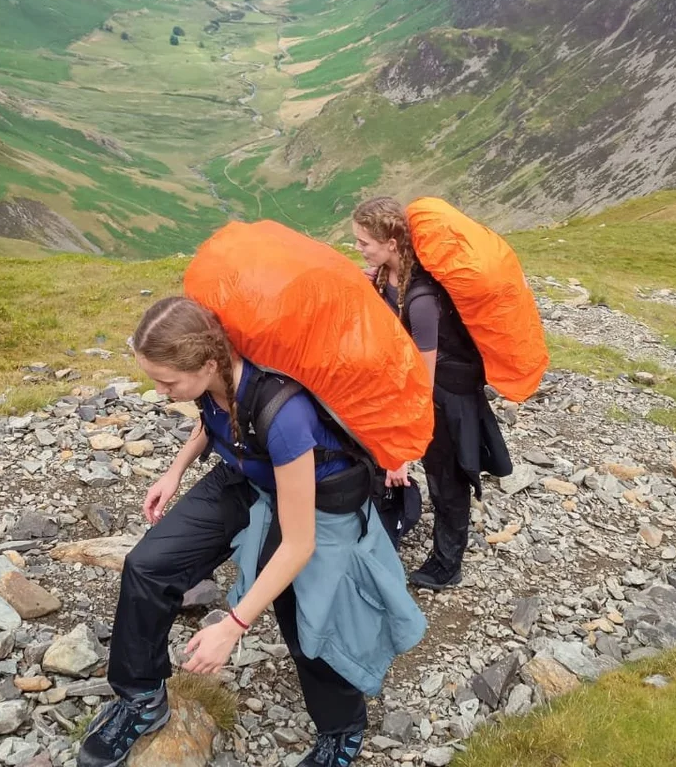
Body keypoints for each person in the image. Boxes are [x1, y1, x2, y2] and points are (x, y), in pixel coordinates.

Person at [80, 297, 424, 767]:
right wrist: (175, 470)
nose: (160, 392)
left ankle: (342, 729)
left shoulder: (286, 414)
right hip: (247, 474)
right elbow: (214, 418)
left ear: (207, 363)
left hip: (317, 497)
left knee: (305, 610)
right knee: (149, 565)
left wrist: (233, 626)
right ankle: (141, 696)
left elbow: (300, 543)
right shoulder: (210, 379)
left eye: (167, 382)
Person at [351, 197, 513, 590]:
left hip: (447, 391)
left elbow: (423, 383)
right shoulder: (385, 277)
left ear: (392, 243)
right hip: (422, 384)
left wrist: (402, 452)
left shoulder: (422, 300)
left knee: (447, 475)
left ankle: (447, 562)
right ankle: (388, 520)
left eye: (364, 242)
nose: (358, 249)